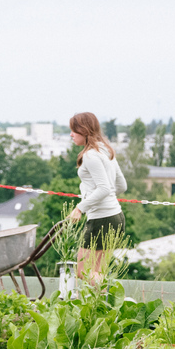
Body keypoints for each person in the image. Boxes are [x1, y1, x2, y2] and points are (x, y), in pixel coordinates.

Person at [66, 111, 127, 282]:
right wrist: (106, 201)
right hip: (116, 217)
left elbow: (104, 188)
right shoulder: (105, 150)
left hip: (101, 220)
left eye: (74, 131)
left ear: (84, 131)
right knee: (98, 272)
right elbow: (121, 186)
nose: (71, 135)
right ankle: (104, 306)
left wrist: (80, 208)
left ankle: (109, 301)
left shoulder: (90, 155)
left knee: (83, 271)